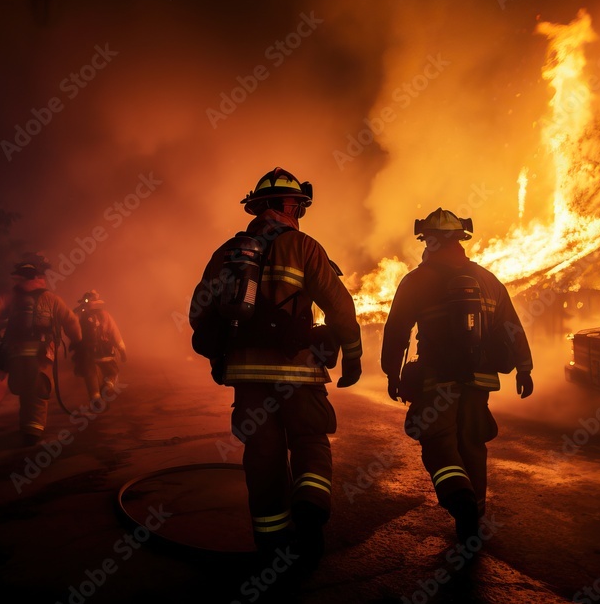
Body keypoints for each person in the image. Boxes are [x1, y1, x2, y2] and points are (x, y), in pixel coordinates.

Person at [189, 167, 363, 567]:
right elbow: (340, 308)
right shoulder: (304, 247)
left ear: (255, 208)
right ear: (287, 205)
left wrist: (222, 357)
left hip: (248, 378)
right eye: (298, 206)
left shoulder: (226, 253)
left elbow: (199, 312)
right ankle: (310, 508)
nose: (299, 213)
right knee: (309, 440)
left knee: (263, 453)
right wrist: (351, 356)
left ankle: (272, 545)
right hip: (299, 372)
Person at [381, 208, 534, 542]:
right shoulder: (489, 280)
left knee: (438, 443)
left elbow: (396, 332)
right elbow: (511, 327)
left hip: (438, 381)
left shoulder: (416, 281)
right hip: (480, 383)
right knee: (472, 444)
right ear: (461, 239)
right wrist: (524, 367)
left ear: (429, 240)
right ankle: (474, 517)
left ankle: (460, 498)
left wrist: (392, 372)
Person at [0, 254, 82, 446]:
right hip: (42, 353)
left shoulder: (12, 297)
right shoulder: (51, 299)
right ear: (40, 277)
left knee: (24, 389)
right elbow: (71, 321)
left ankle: (26, 426)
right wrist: (77, 341)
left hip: (15, 352)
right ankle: (33, 429)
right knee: (38, 389)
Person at [74, 290, 127, 402]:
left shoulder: (80, 316)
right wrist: (122, 351)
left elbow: (72, 327)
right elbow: (115, 333)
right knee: (112, 371)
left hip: (87, 353)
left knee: (90, 375)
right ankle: (108, 385)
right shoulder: (105, 315)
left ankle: (95, 397)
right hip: (105, 352)